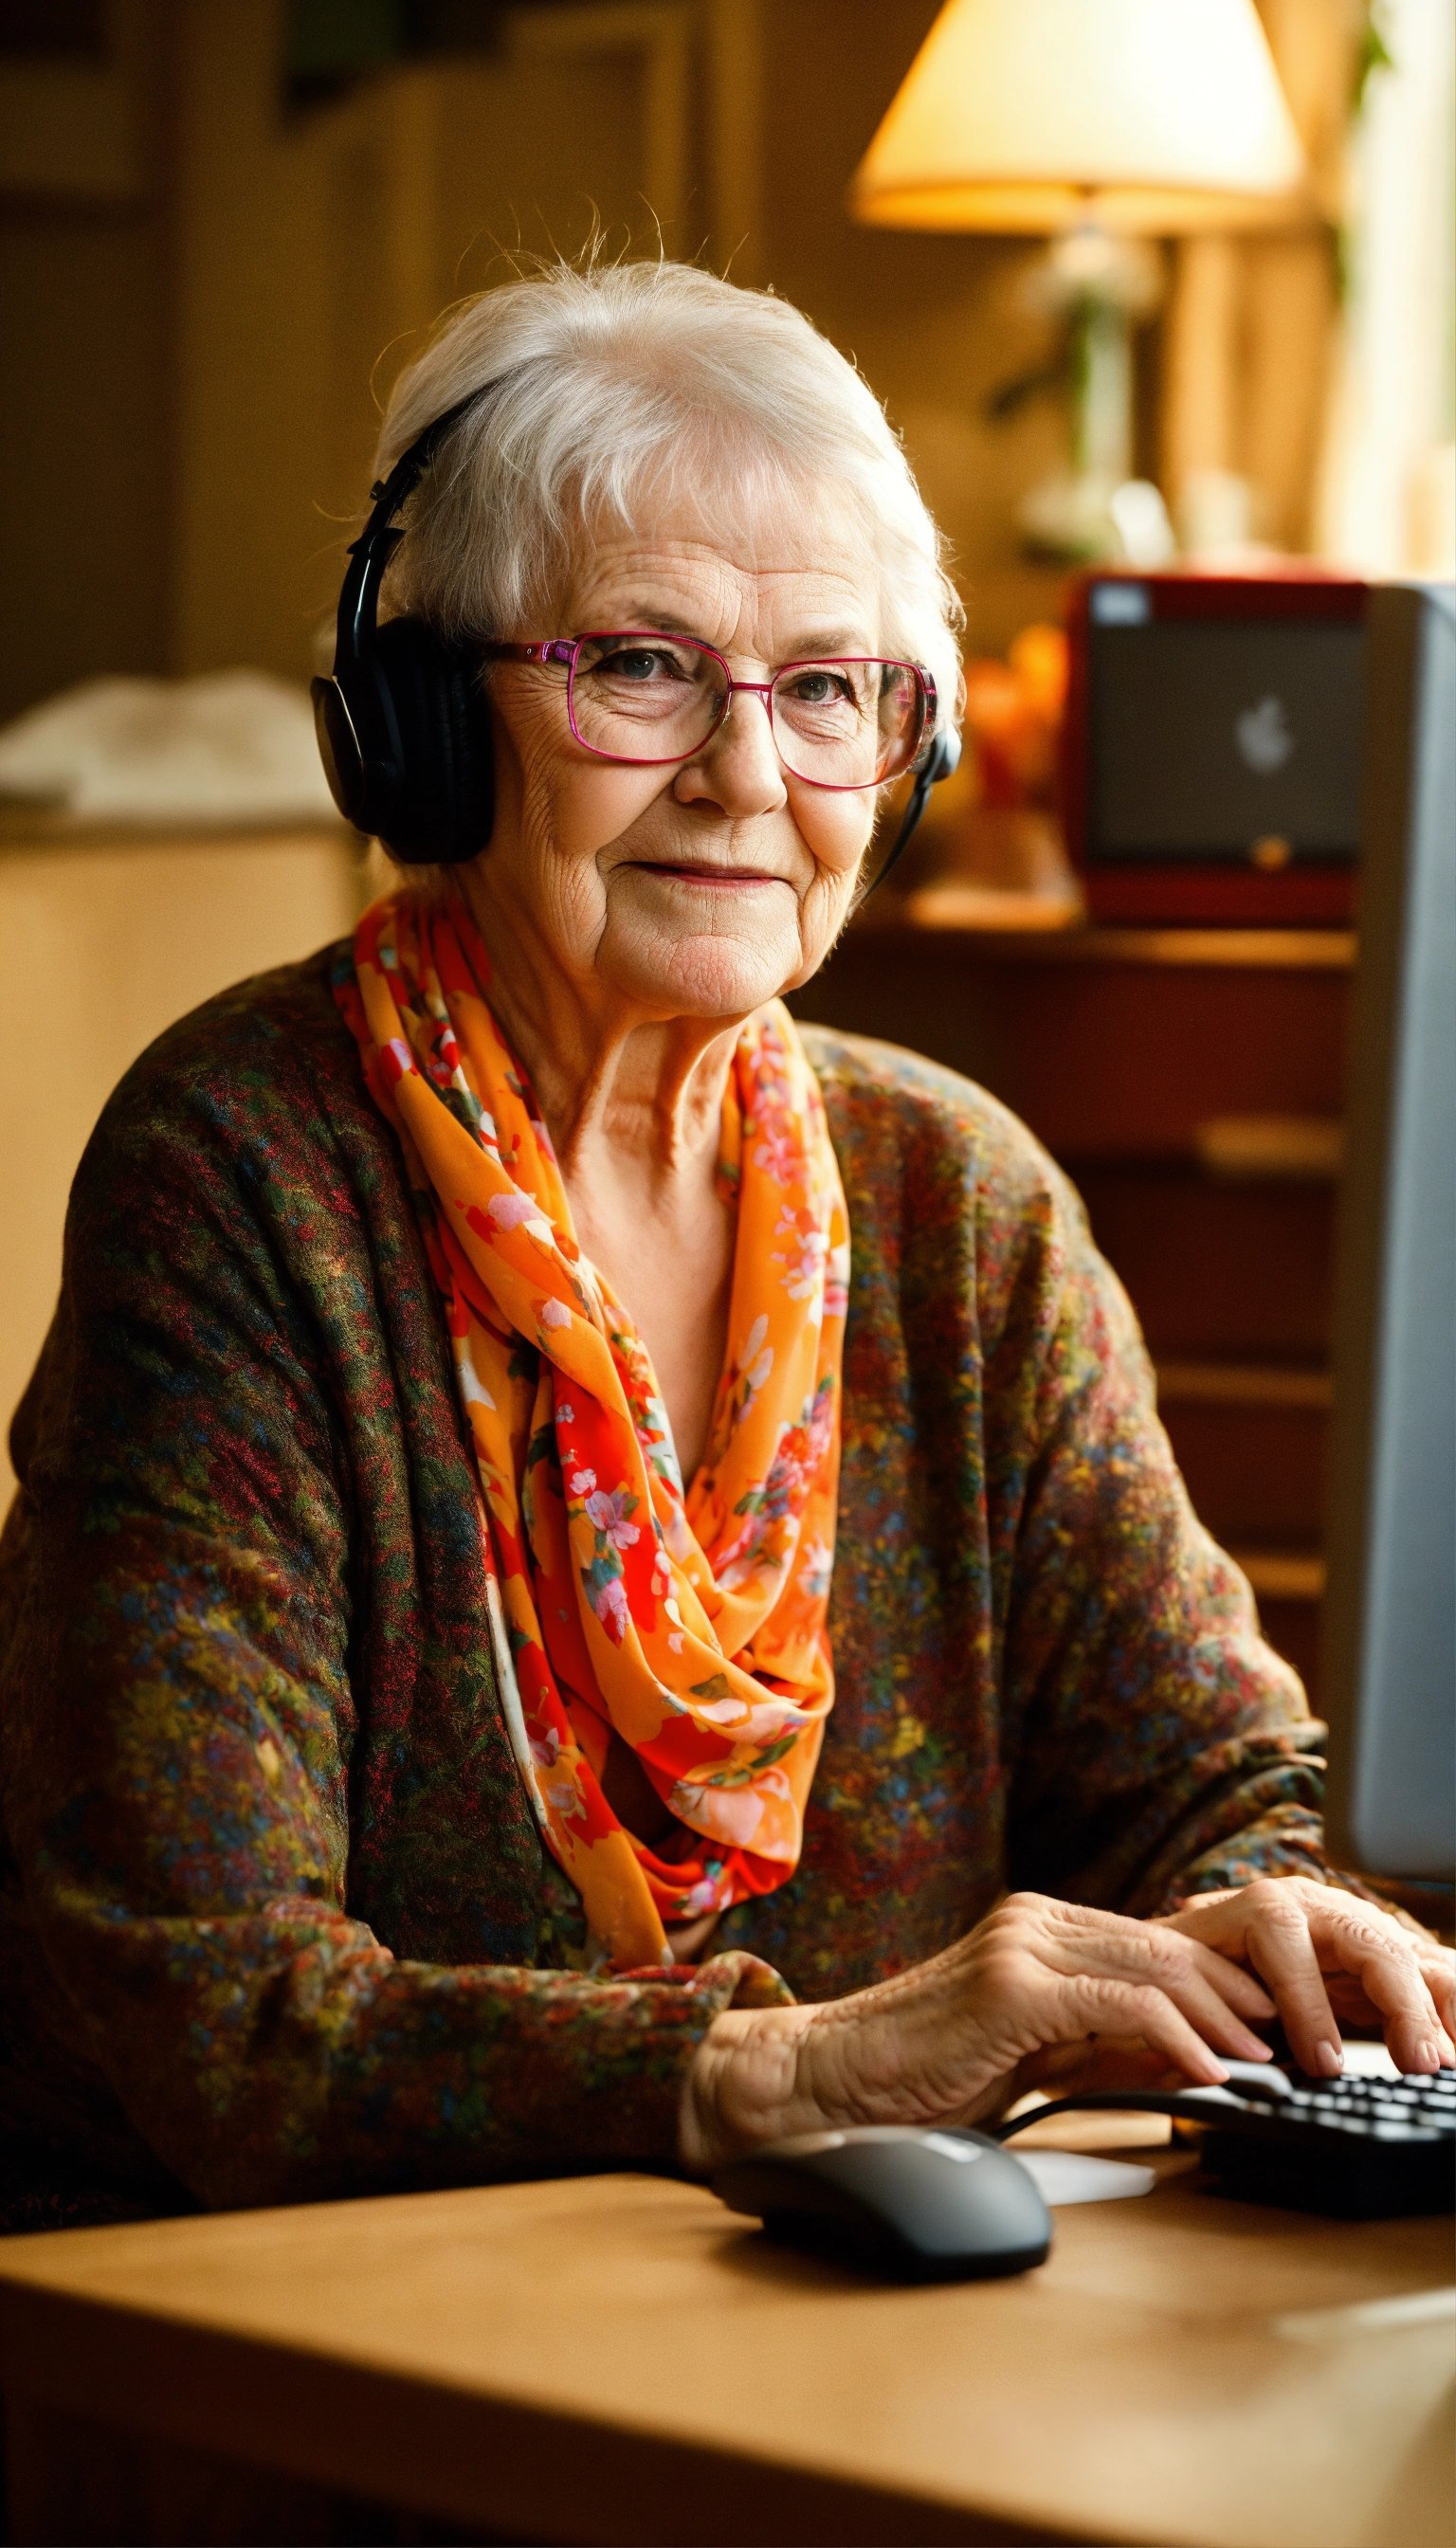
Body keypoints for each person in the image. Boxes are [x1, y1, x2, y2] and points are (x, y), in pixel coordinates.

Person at [1, 260, 1449, 2227]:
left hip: (863, 2345)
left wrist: (1272, 1924)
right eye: (639, 666)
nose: (749, 774)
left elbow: (1216, 1783)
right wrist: (819, 2064)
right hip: (293, 2370)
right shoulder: (245, 1174)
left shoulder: (964, 1204)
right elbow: (210, 2010)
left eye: (831, 689)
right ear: (431, 721)